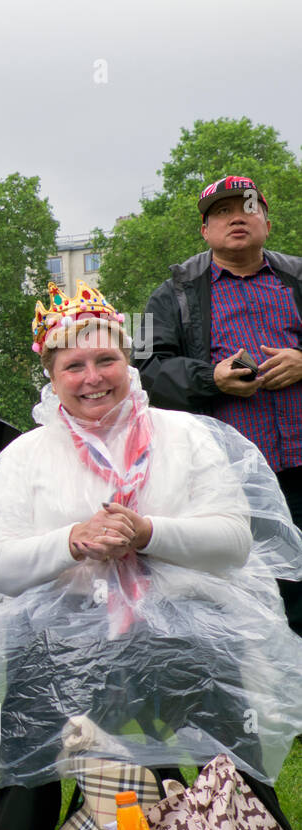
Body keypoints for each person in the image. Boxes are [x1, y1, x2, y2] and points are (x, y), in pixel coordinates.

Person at [0, 280, 302, 830]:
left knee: (209, 656)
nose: (93, 377)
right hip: (68, 626)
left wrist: (147, 532)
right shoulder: (25, 456)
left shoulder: (188, 435)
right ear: (52, 374)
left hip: (184, 617)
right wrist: (73, 541)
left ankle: (257, 824)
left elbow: (234, 538)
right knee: (35, 663)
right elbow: (0, 566)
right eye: (74, 365)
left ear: (128, 360)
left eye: (106, 360)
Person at [140, 175, 302, 636]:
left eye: (248, 207)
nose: (237, 216)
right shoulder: (171, 294)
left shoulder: (298, 278)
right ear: (205, 231)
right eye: (222, 212)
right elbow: (145, 370)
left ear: (267, 223)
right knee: (244, 595)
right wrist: (209, 378)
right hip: (227, 478)